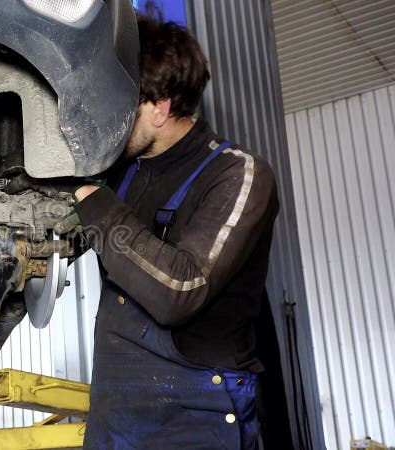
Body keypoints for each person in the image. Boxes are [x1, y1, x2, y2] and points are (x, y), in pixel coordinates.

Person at [72, 13, 279, 450]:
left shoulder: (237, 174)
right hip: (118, 413)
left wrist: (99, 207)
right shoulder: (124, 169)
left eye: (121, 102)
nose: (109, 116)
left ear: (161, 106)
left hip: (196, 418)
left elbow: (181, 289)